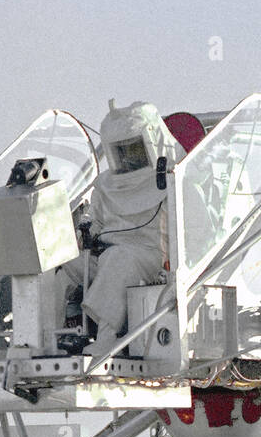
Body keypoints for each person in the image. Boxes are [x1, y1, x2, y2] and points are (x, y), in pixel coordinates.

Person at [67, 100, 180, 355]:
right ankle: (47, 337)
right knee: (59, 262)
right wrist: (81, 237)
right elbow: (95, 222)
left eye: (134, 149)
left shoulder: (176, 181)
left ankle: (107, 338)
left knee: (121, 260)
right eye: (122, 151)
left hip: (150, 256)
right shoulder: (106, 185)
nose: (128, 157)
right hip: (106, 252)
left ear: (151, 142)